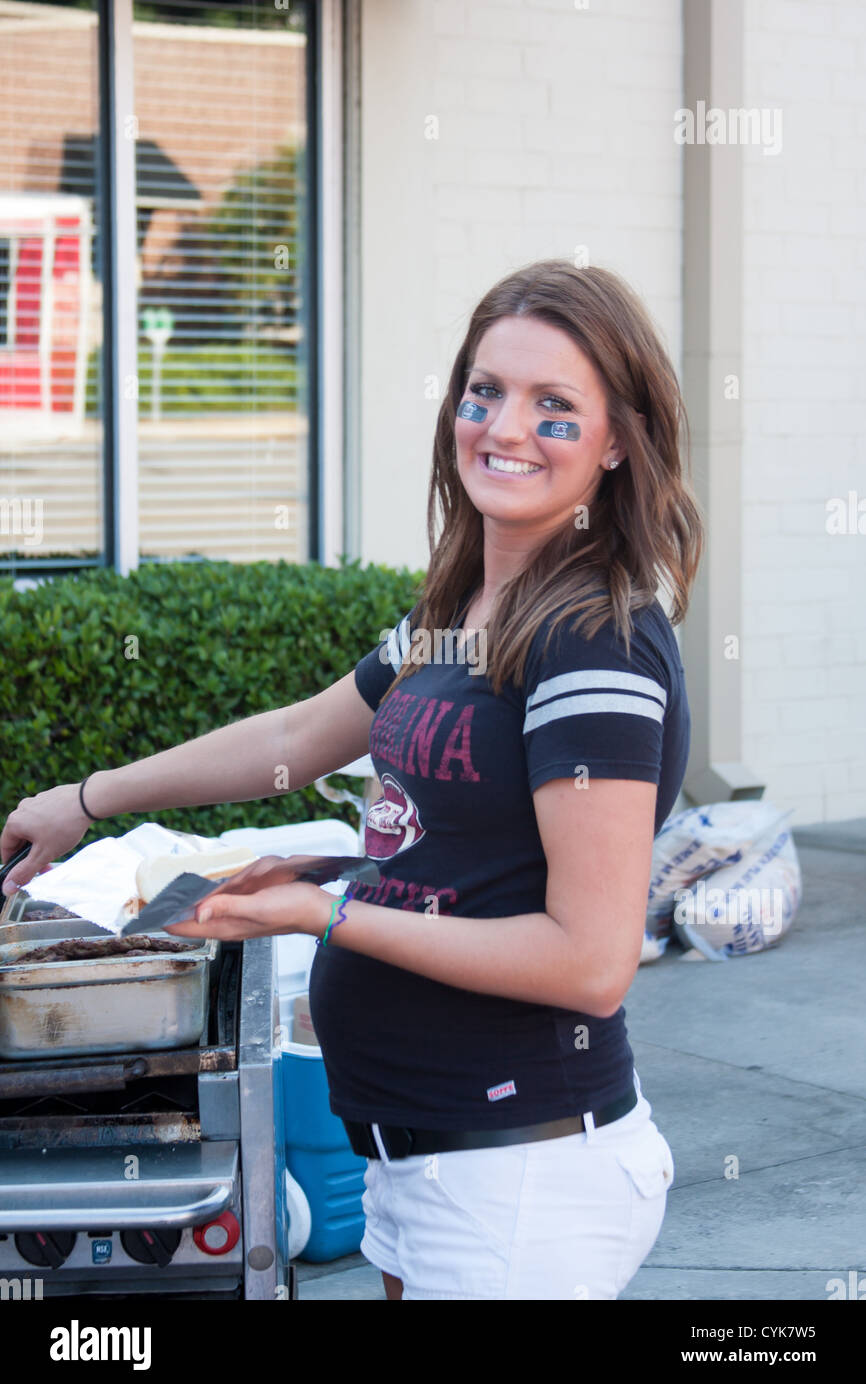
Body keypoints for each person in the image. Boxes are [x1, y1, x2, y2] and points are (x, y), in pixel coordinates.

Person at [1, 259, 703, 1301]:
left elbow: (588, 960)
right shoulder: (461, 613)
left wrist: (323, 913)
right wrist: (89, 796)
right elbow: (299, 734)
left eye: (554, 405)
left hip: (518, 1173)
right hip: (430, 1158)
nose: (504, 426)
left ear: (614, 445)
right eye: (485, 390)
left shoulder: (587, 646)